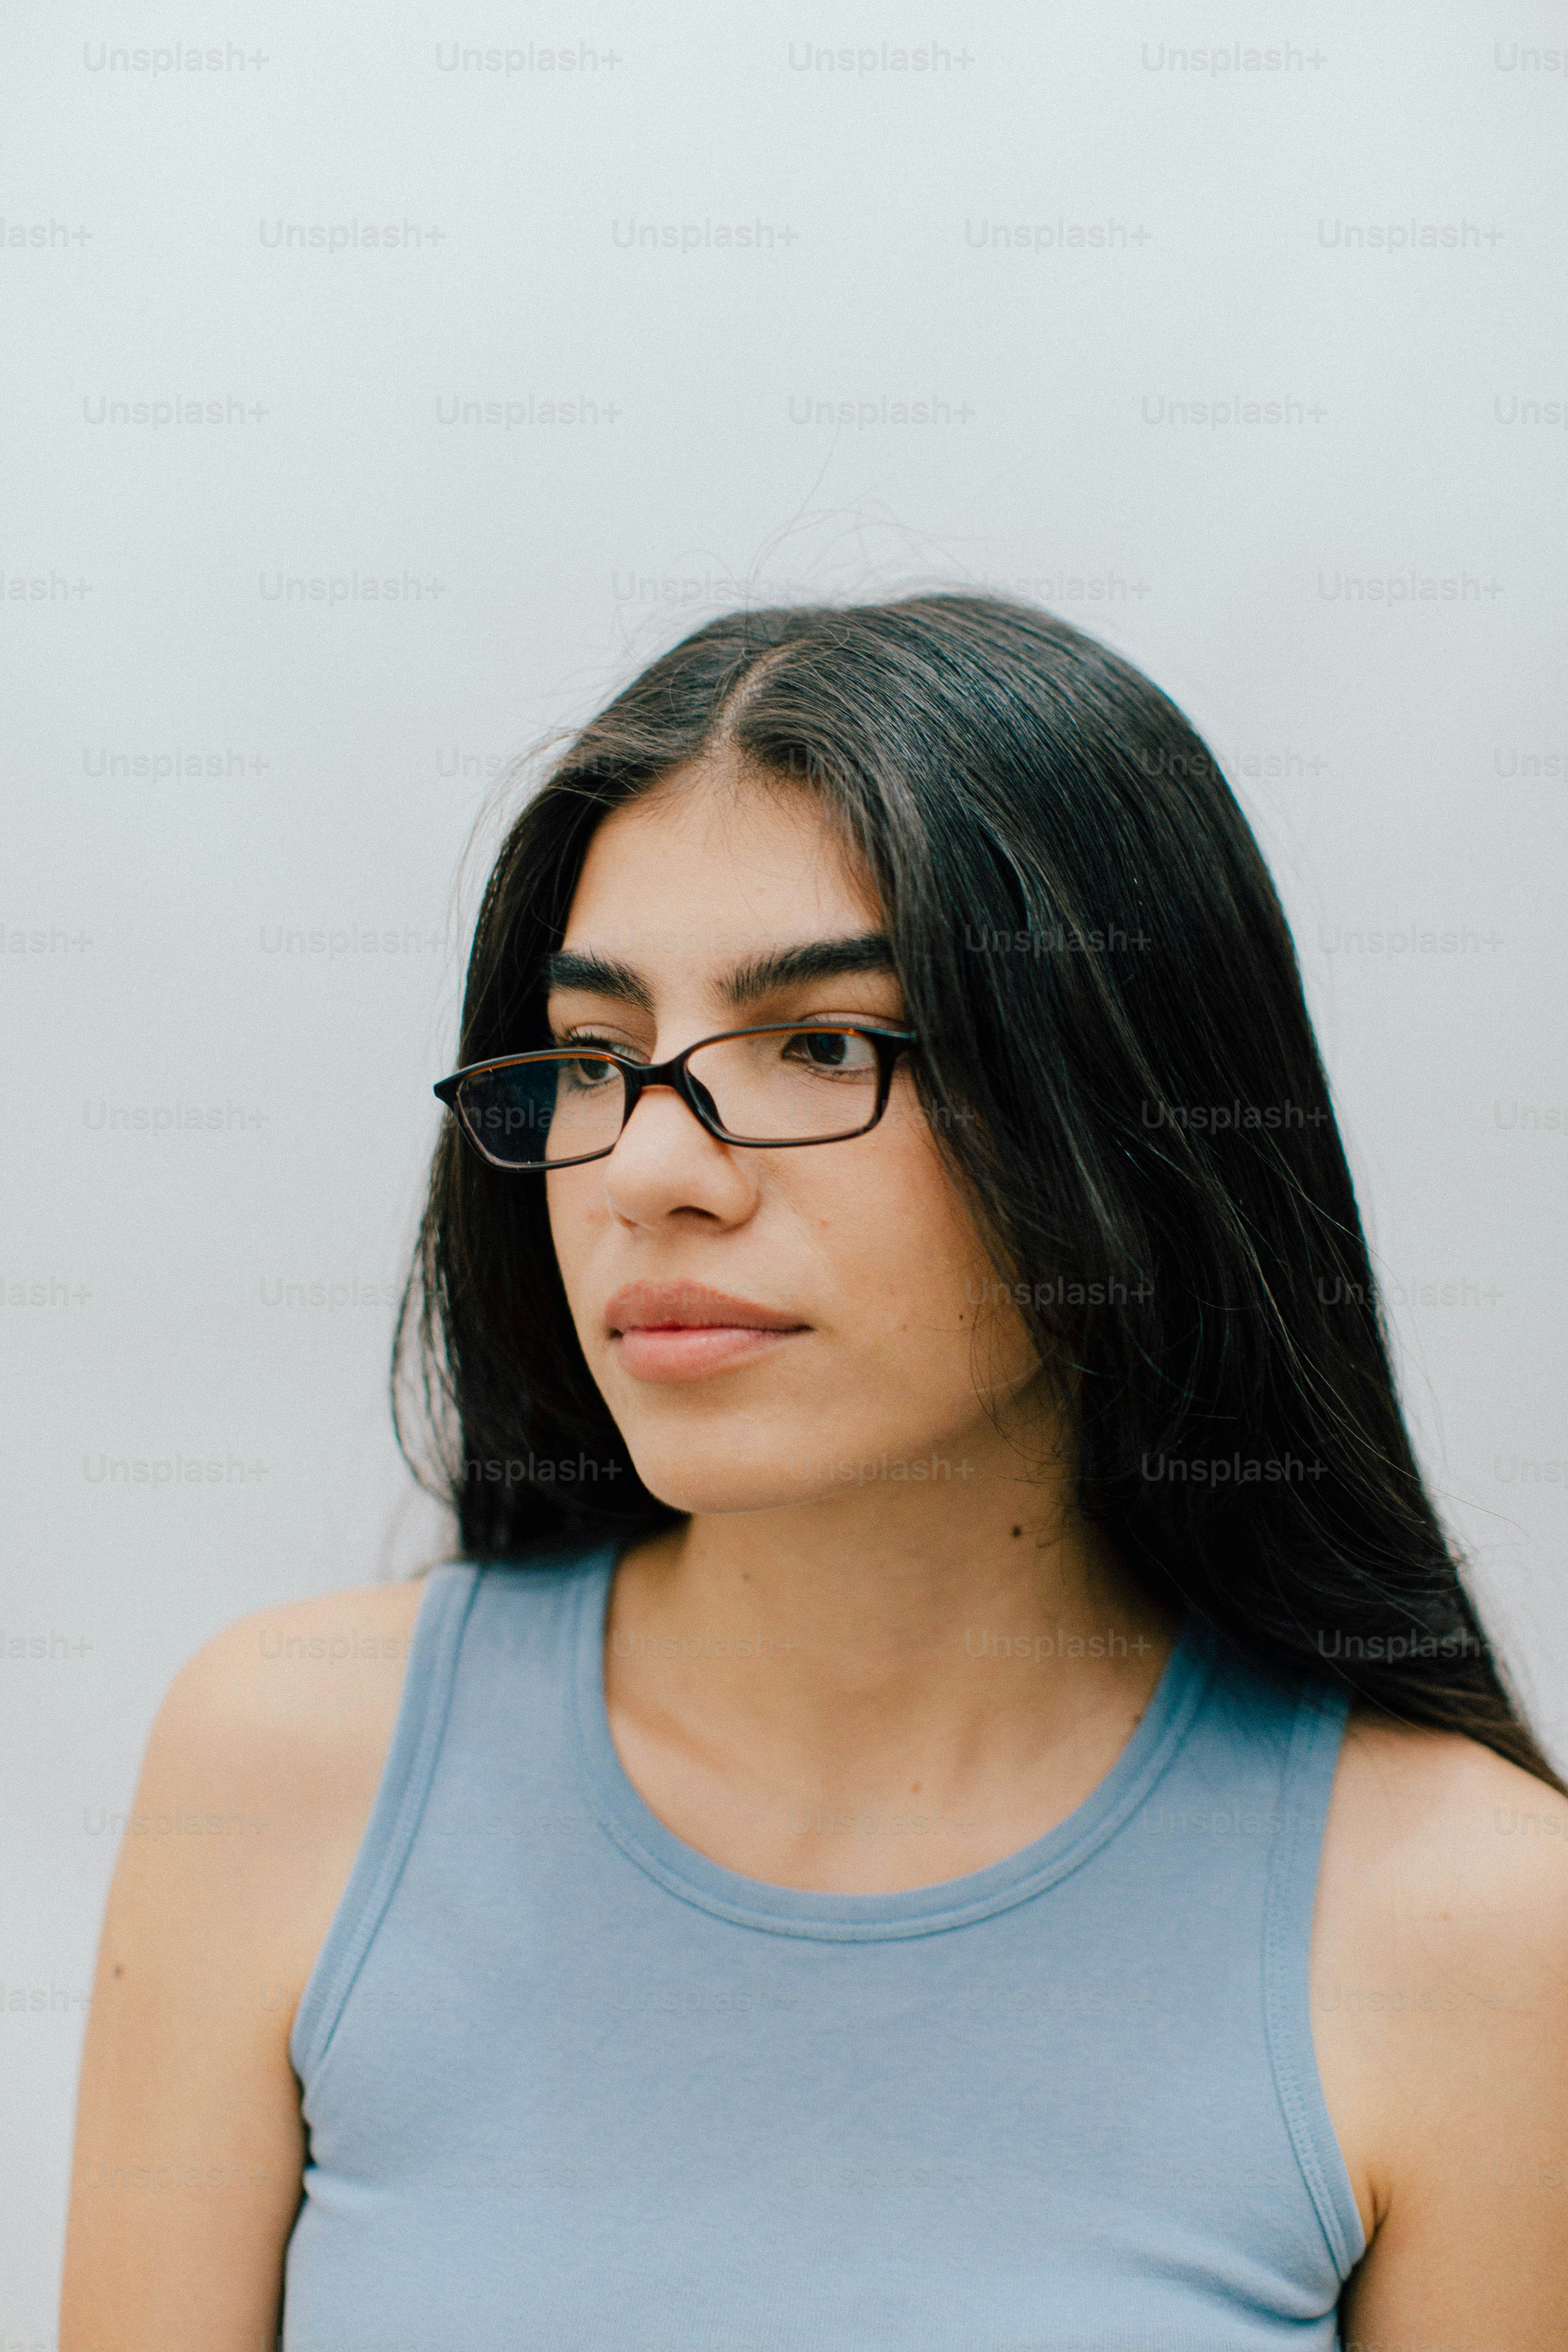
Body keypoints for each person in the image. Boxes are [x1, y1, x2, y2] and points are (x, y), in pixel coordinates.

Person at [62, 595, 1568, 2350]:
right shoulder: (285, 1764)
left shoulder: (1474, 1926)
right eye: (595, 1059)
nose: (647, 1171)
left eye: (828, 1043)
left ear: (1120, 1109)